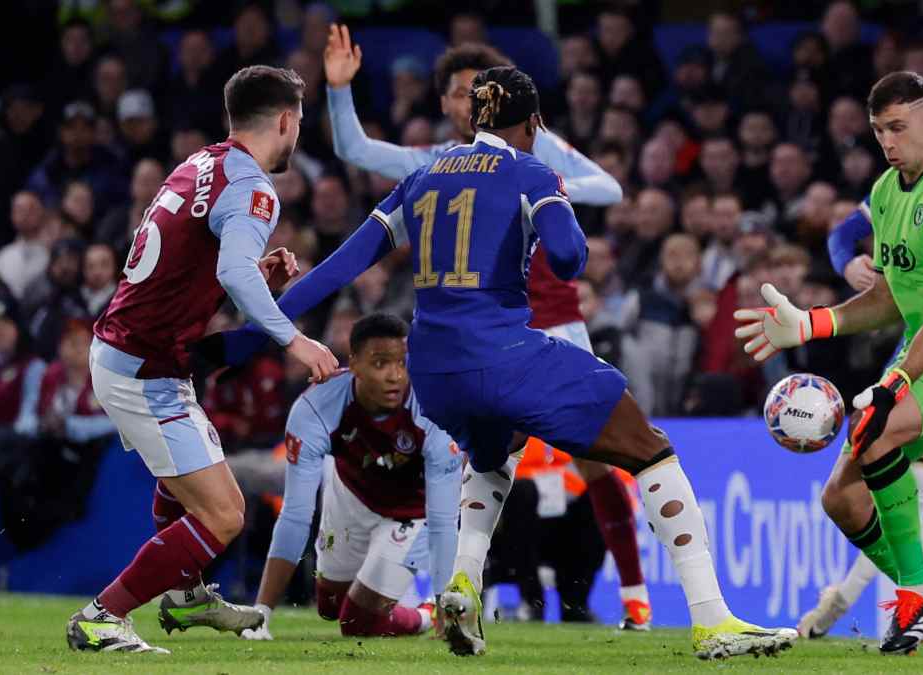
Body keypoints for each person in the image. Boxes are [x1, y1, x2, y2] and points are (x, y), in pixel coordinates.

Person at [204, 65, 798, 660]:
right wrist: (554, 205)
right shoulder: (532, 171)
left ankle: (462, 582)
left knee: (495, 454)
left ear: (473, 117)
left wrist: (251, 338)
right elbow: (567, 261)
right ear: (534, 123)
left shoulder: (422, 176)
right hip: (502, 352)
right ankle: (713, 620)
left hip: (431, 371)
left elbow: (338, 267)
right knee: (649, 448)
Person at [209, 24, 653, 631]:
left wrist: (539, 190)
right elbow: (360, 153)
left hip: (544, 323)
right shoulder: (432, 164)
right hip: (486, 334)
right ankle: (467, 592)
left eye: (477, 89)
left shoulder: (527, 156)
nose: (468, 100)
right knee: (491, 465)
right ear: (448, 102)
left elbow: (609, 186)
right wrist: (341, 92)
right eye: (458, 93)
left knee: (586, 462)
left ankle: (632, 597)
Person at [734, 71, 923, 655]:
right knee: (840, 500)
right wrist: (813, 321)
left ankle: (920, 591)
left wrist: (892, 385)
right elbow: (892, 297)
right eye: (878, 131)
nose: (889, 142)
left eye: (898, 128)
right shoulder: (890, 193)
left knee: (877, 429)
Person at [67, 65, 339, 654]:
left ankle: (186, 595)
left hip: (137, 356)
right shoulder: (254, 188)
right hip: (145, 370)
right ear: (287, 120)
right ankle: (100, 618)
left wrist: (248, 279)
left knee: (190, 491)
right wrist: (295, 339)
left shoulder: (200, 164)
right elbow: (231, 269)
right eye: (300, 122)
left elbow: (188, 268)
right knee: (223, 515)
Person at [240, 314, 460, 641]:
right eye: (381, 363)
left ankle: (424, 616)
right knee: (330, 606)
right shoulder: (316, 407)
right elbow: (296, 514)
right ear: (354, 363)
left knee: (355, 623)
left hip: (411, 515)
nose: (394, 376)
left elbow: (443, 520)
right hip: (350, 497)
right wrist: (262, 613)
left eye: (401, 363)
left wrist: (446, 604)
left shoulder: (434, 411)